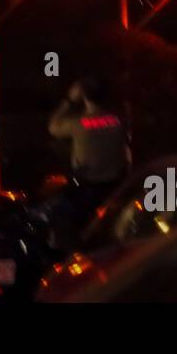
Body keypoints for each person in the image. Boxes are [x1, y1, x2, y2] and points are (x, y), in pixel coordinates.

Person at [43, 76, 131, 248]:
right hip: (114, 188)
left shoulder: (79, 124)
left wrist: (69, 99)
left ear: (83, 96)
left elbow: (53, 126)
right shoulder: (118, 120)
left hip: (86, 188)